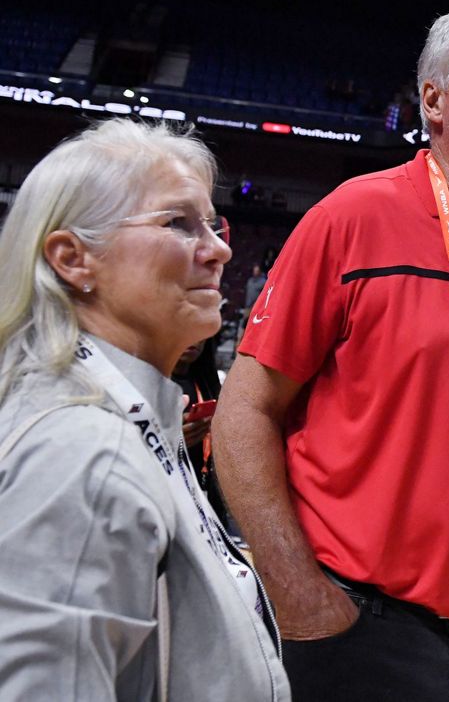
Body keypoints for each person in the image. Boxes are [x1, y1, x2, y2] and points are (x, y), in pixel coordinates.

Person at [213, 5, 449, 701]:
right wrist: (298, 594)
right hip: (360, 627)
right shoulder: (350, 218)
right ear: (434, 101)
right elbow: (245, 409)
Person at [0, 118, 288, 700]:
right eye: (178, 224)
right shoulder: (83, 451)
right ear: (73, 259)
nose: (219, 249)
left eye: (213, 223)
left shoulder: (117, 413)